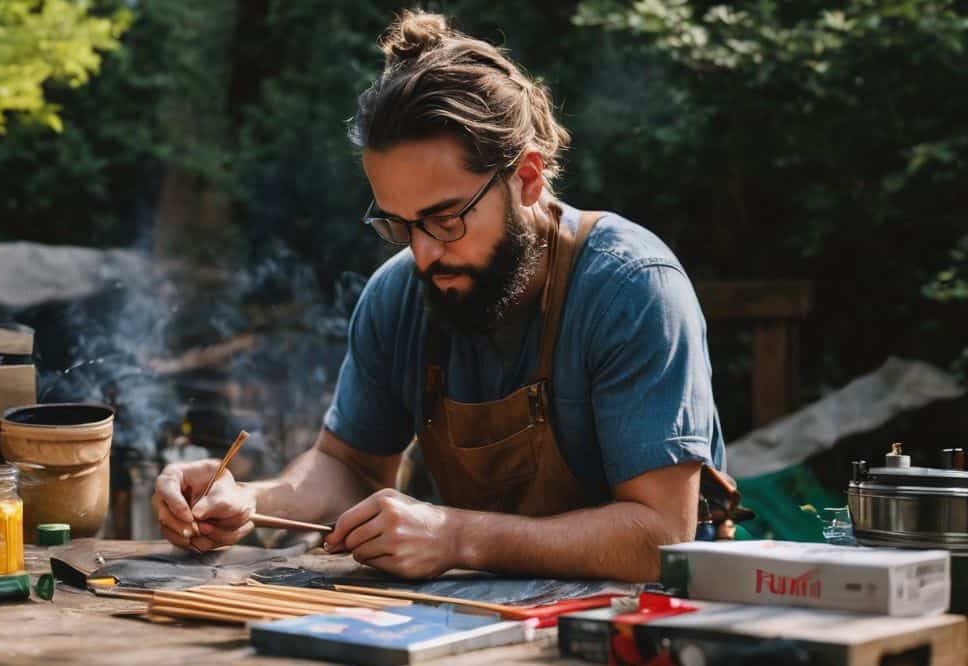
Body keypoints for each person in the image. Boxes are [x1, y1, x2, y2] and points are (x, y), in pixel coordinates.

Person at [153, 10, 726, 583]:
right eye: (400, 225)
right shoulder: (400, 294)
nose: (424, 255)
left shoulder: (630, 288)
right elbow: (348, 465)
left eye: (446, 218)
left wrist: (459, 537)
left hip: (645, 628)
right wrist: (251, 499)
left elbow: (661, 537)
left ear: (526, 177)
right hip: (474, 620)